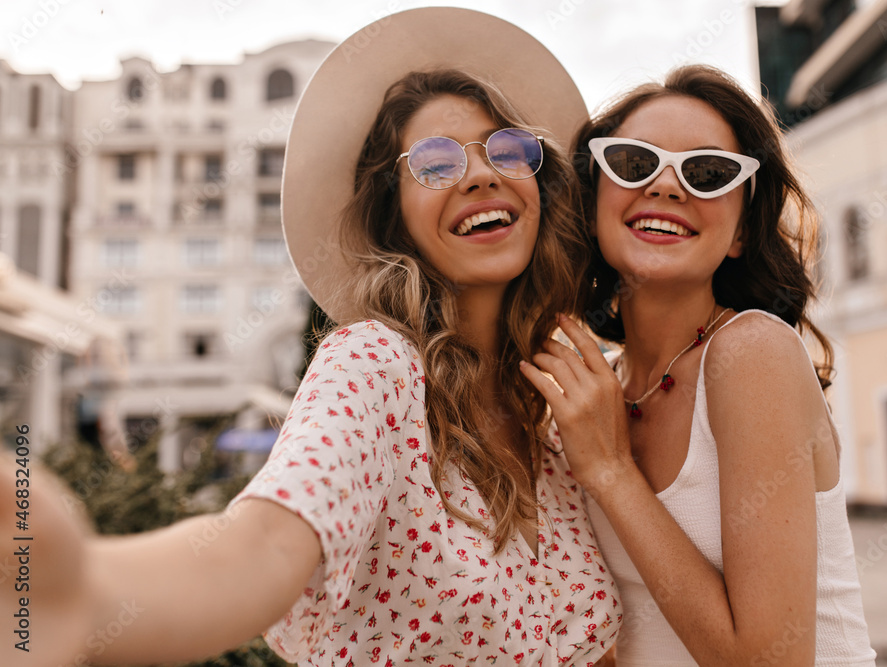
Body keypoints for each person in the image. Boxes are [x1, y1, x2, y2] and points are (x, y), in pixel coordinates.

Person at [0, 9, 621, 666]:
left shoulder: (562, 412)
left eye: (507, 150)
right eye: (435, 163)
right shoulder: (374, 365)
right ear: (393, 216)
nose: (481, 174)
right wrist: (83, 594)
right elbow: (264, 543)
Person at [519, 65, 877, 666]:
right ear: (593, 199)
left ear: (740, 233)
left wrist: (612, 471)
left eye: (708, 173)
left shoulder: (751, 352)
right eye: (633, 163)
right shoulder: (590, 393)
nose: (665, 186)